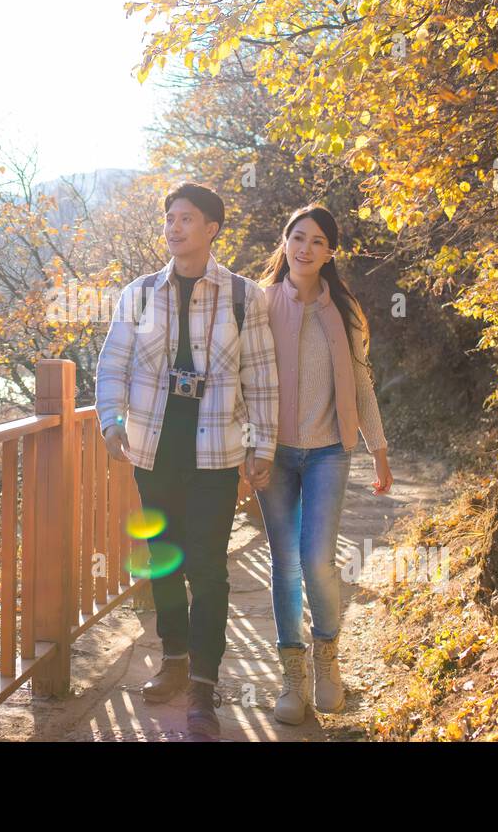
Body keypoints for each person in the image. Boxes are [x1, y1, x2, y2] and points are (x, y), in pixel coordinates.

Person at [95, 182, 278, 741]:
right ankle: (173, 658)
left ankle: (203, 685)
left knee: (208, 569)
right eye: (169, 218)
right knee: (165, 561)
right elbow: (112, 363)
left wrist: (262, 445)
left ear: (212, 229)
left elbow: (263, 379)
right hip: (153, 450)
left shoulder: (245, 296)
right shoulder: (140, 293)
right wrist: (110, 418)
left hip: (216, 454)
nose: (174, 228)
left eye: (187, 218)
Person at [250, 202, 393, 725]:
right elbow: (243, 384)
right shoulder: (260, 305)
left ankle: (327, 660)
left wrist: (378, 451)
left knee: (317, 560)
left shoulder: (345, 313)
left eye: (317, 241)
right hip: (274, 454)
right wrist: (251, 448)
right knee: (284, 563)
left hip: (330, 450)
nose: (305, 249)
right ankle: (293, 677)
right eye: (297, 237)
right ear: (284, 242)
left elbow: (361, 383)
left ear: (330, 252)